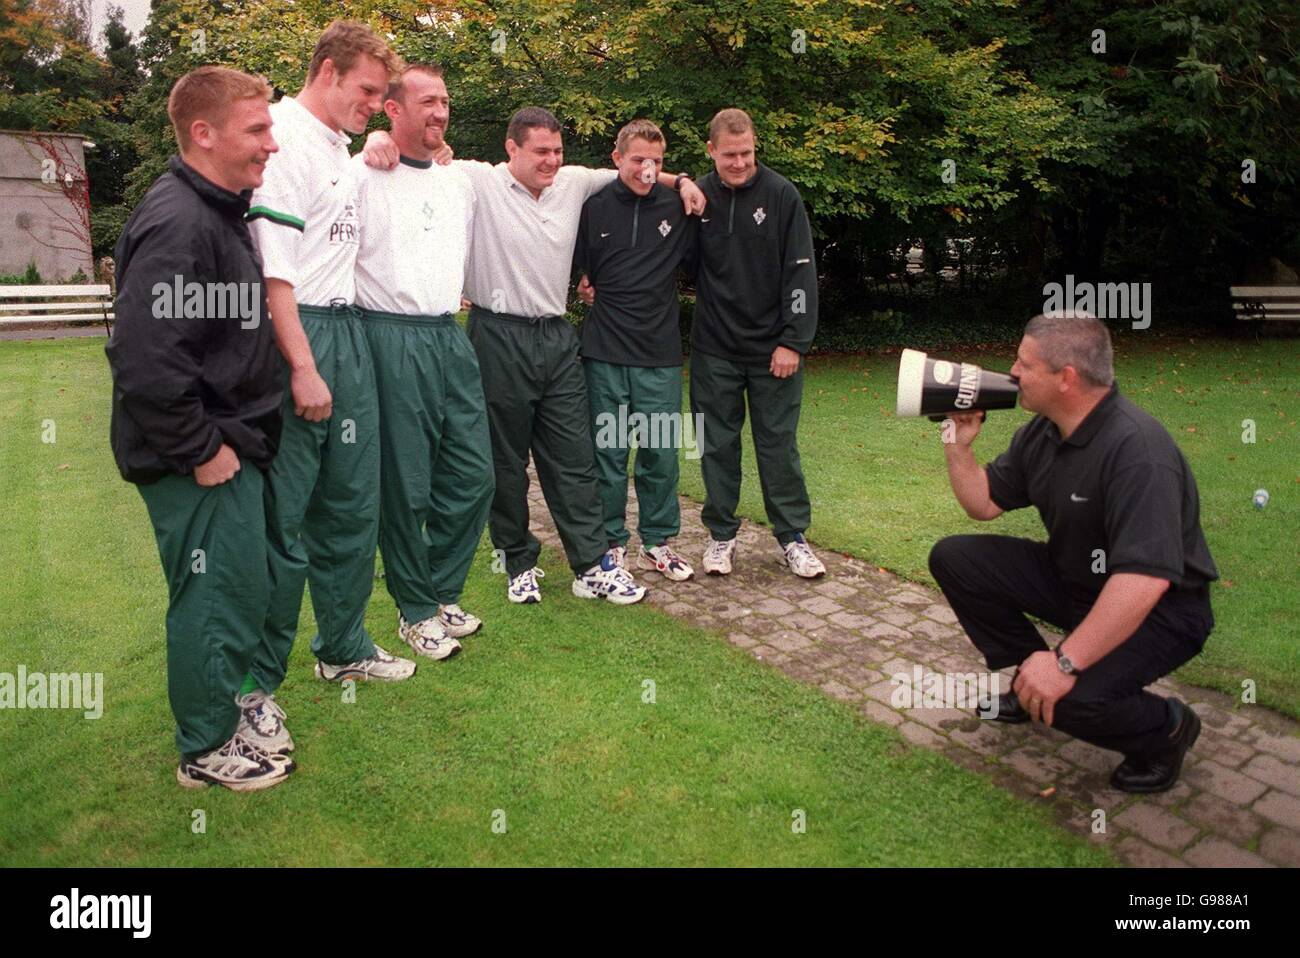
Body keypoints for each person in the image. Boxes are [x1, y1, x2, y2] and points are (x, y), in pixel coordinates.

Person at [363, 108, 706, 605]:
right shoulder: (477, 179)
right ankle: (517, 561)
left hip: (556, 336)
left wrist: (685, 180)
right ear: (512, 148)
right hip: (497, 334)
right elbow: (417, 161)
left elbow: (639, 169)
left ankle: (591, 565)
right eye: (540, 151)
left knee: (574, 456)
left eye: (557, 151)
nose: (551, 160)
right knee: (505, 461)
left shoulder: (574, 181)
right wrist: (379, 135)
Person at [929, 313, 1218, 793]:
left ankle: (1165, 728)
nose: (1012, 373)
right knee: (956, 559)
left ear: (1066, 378)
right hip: (1078, 581)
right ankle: (1031, 685)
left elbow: (1144, 580)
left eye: (1024, 364)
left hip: (1162, 612)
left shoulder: (1138, 451)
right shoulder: (1043, 432)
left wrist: (1064, 663)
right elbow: (983, 504)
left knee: (1070, 702)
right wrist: (960, 448)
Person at [106, 65, 291, 790]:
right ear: (204, 133)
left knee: (237, 590)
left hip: (228, 442)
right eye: (257, 129)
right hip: (195, 454)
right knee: (212, 598)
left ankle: (222, 714)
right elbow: (146, 356)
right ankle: (206, 750)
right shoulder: (180, 220)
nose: (271, 144)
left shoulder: (222, 209)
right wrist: (198, 448)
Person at [246, 20, 417, 708]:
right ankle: (252, 684)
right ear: (326, 71)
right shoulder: (281, 140)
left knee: (351, 505)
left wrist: (373, 138)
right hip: (301, 333)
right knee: (283, 518)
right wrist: (301, 366)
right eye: (368, 92)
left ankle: (343, 648)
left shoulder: (337, 146)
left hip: (346, 331)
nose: (376, 104)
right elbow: (272, 275)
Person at [350, 63, 492, 659]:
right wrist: (370, 144)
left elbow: (559, 173)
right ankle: (414, 611)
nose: (438, 113)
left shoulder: (459, 178)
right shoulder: (359, 173)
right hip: (388, 334)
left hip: (448, 334)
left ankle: (439, 590)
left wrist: (671, 176)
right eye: (426, 102)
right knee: (406, 486)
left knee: (474, 474)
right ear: (393, 109)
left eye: (445, 103)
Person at [689, 108, 824, 579]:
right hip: (714, 349)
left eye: (747, 153)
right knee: (716, 446)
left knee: (778, 446)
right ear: (712, 151)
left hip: (774, 352)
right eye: (730, 155)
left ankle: (792, 538)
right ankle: (721, 537)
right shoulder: (698, 195)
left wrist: (794, 342)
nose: (740, 162)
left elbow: (801, 272)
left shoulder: (782, 194)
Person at [573, 118, 698, 581]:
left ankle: (658, 542)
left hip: (660, 354)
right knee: (608, 453)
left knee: (661, 452)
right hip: (604, 351)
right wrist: (584, 284)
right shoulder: (593, 207)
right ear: (617, 159)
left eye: (657, 162)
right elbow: (580, 270)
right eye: (639, 159)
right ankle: (611, 542)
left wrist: (682, 180)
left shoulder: (679, 205)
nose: (648, 169)